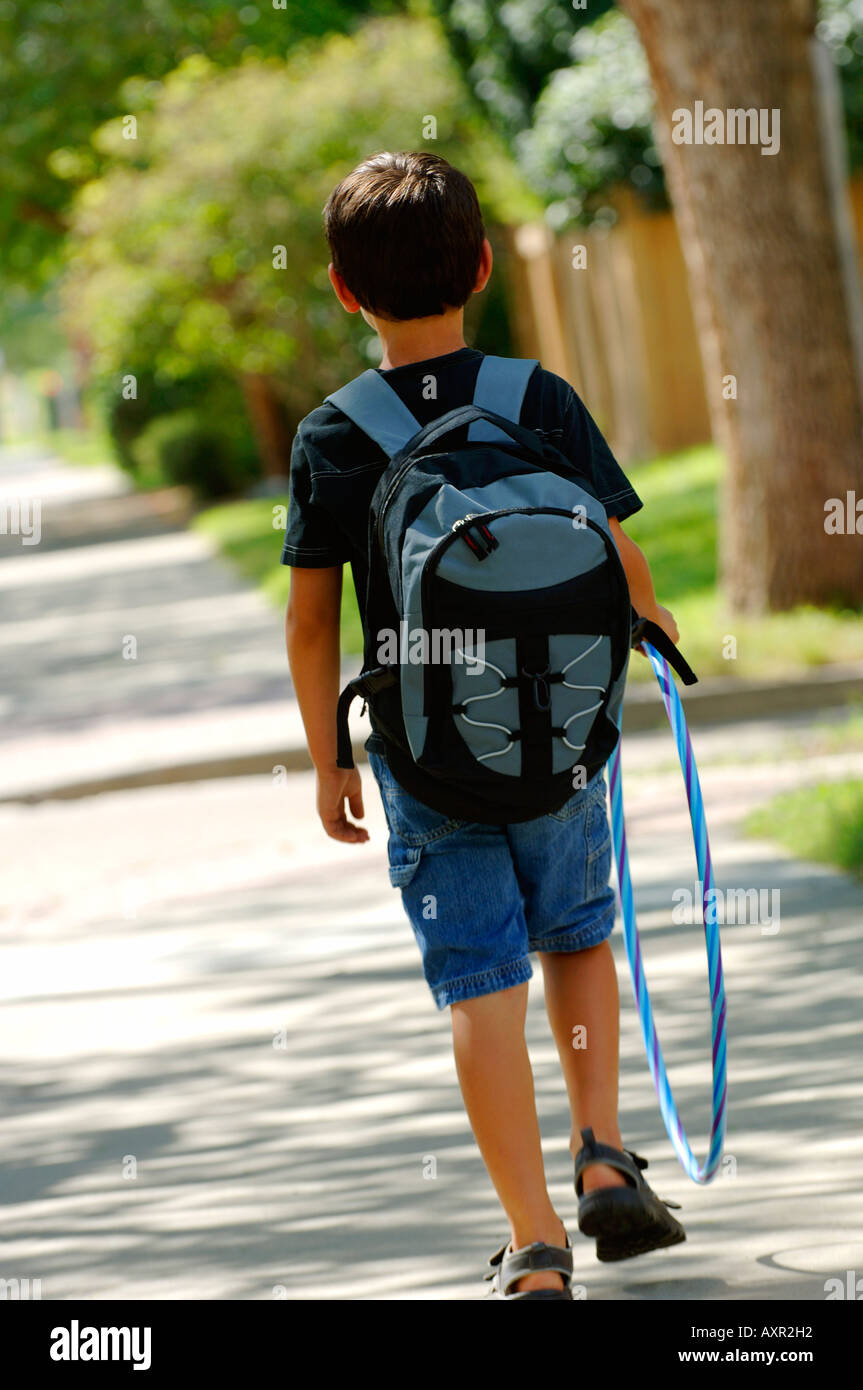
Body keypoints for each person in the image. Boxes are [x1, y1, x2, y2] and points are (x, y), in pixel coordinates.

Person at [283, 150, 685, 1299]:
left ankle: (534, 1240)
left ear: (343, 289)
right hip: (557, 743)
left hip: (424, 759)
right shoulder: (535, 398)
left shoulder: (331, 434)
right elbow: (616, 556)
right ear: (481, 266)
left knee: (479, 983)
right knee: (576, 934)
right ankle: (601, 1150)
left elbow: (311, 623)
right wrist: (651, 633)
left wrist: (328, 761)